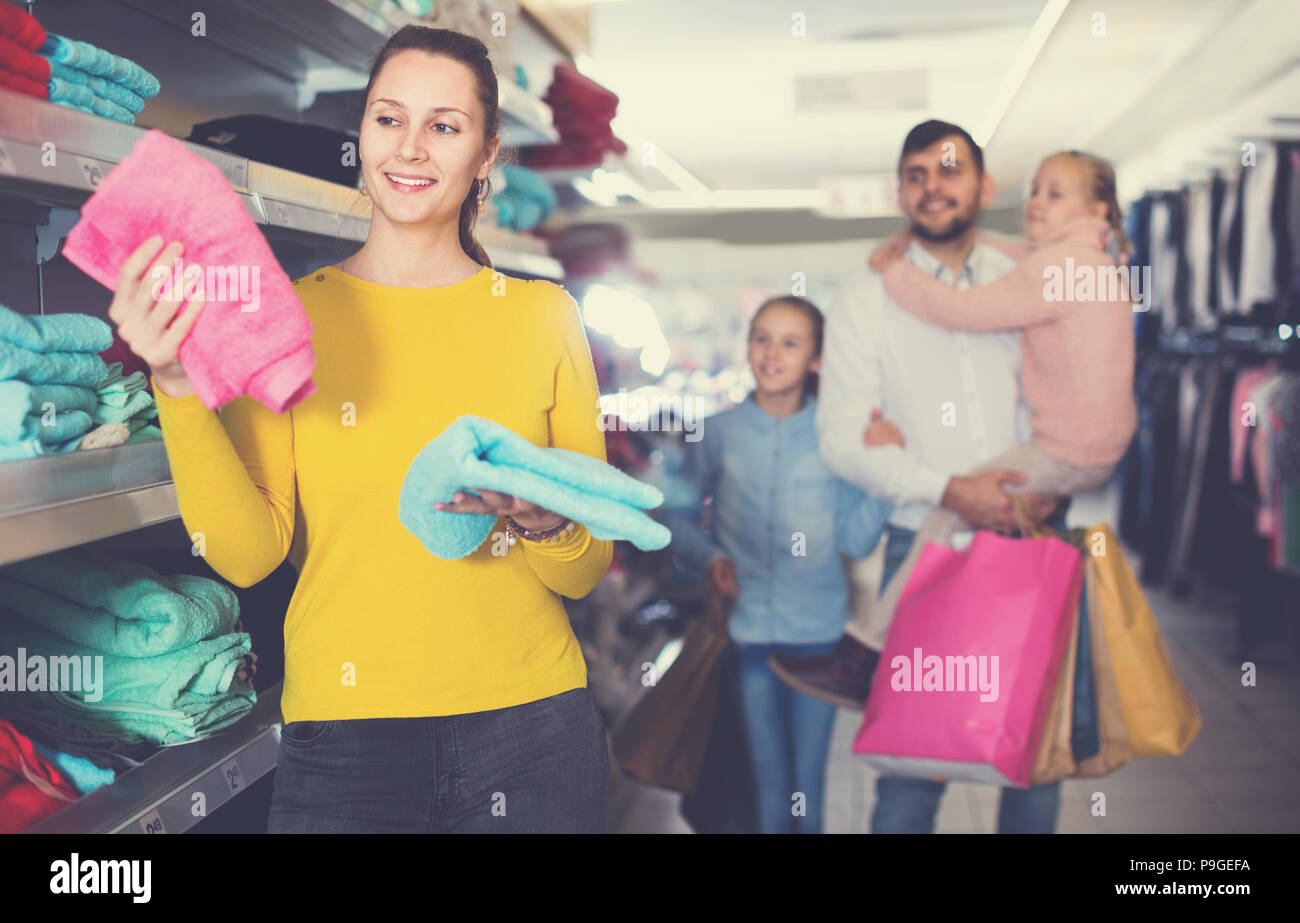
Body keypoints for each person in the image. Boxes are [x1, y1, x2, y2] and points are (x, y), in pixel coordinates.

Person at [107, 27, 611, 833]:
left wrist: (550, 522)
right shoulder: (286, 315)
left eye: (444, 126)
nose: (410, 147)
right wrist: (175, 383)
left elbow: (586, 572)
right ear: (361, 134)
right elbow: (248, 552)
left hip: (533, 727)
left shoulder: (544, 317)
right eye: (388, 118)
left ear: (486, 155)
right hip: (347, 738)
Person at [768, 120, 1065, 834]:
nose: (933, 186)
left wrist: (1049, 479)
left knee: (1035, 761)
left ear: (983, 185)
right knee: (912, 770)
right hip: (922, 550)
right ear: (901, 190)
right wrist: (952, 490)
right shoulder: (866, 297)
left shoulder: (1026, 281)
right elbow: (840, 440)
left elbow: (1064, 396)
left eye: (949, 169)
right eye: (917, 174)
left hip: (1030, 540)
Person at [864, 149, 1137, 629]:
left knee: (957, 505)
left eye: (1054, 194)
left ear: (1096, 211)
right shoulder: (1094, 259)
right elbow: (1025, 257)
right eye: (1035, 189)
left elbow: (963, 310)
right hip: (1100, 450)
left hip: (1067, 450)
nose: (1036, 201)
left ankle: (870, 645)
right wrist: (973, 238)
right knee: (997, 523)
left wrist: (897, 273)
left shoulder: (1060, 268)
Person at [664, 296, 890, 834]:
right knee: (766, 791)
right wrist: (710, 557)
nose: (771, 353)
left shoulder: (835, 437)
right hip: (745, 638)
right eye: (761, 338)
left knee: (805, 795)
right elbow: (674, 515)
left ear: (816, 359)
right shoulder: (717, 431)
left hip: (818, 640)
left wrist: (883, 472)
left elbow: (856, 541)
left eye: (791, 342)